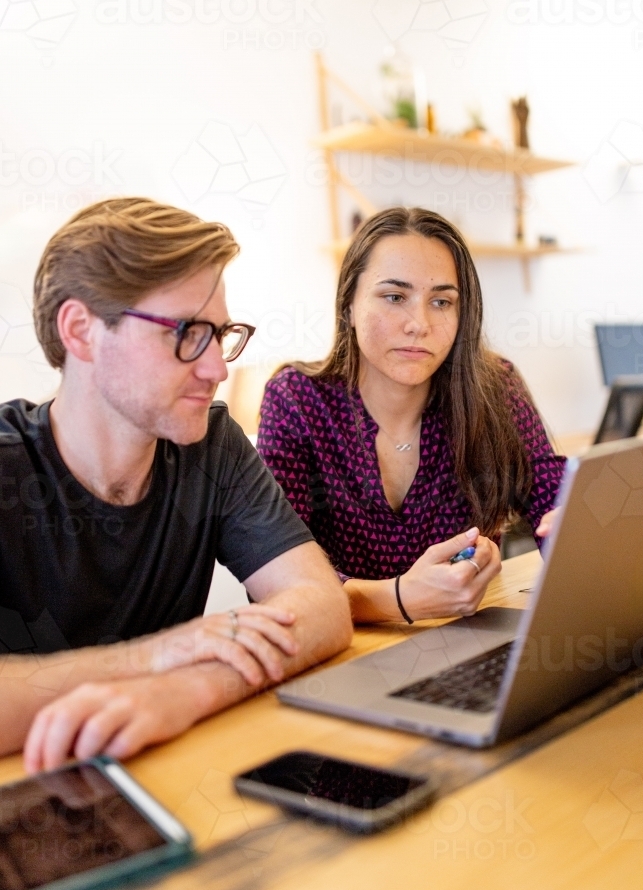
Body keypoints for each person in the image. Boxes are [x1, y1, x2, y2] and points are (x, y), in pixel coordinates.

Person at [0, 198, 352, 769]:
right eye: (187, 332)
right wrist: (160, 657)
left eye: (219, 334)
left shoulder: (211, 445)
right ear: (81, 331)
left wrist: (185, 690)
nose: (217, 368)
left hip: (159, 773)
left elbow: (322, 608)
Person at [258, 207, 566, 625]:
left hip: (465, 643)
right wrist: (399, 599)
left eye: (441, 301)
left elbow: (557, 510)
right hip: (344, 654)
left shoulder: (496, 389)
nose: (419, 324)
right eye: (394, 297)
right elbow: (277, 579)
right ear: (349, 304)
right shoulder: (297, 400)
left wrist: (578, 531)